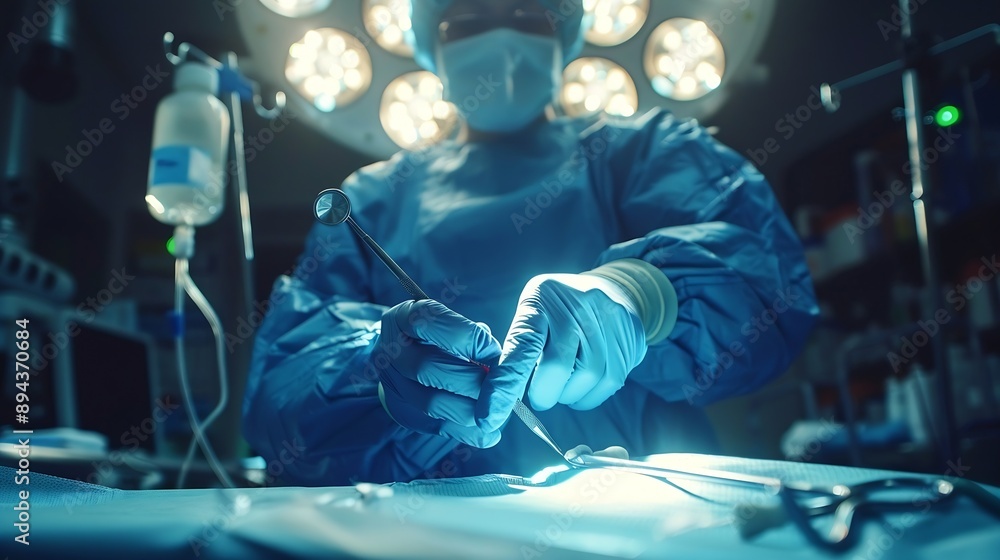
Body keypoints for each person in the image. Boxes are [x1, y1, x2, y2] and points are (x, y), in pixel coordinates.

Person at [242, 0, 818, 486]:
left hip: (646, 515)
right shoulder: (375, 199)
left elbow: (769, 282)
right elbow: (280, 396)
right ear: (429, 46)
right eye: (466, 20)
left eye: (527, 15)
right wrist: (379, 367)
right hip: (430, 534)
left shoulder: (638, 154)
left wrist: (643, 294)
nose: (500, 36)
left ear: (565, 34)